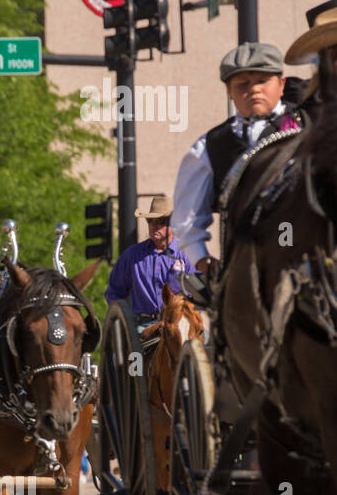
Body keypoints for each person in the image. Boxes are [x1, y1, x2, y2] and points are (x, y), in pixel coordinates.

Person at [171, 42, 308, 275]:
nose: (254, 89)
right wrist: (203, 262)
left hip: (309, 248)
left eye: (263, 81)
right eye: (243, 84)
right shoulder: (210, 146)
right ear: (229, 91)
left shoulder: (310, 124)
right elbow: (187, 221)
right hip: (247, 264)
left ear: (281, 84)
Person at [104, 195, 195, 324]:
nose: (154, 225)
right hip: (143, 325)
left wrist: (191, 321)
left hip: (178, 324)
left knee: (207, 341)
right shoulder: (132, 255)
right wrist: (125, 320)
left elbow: (197, 295)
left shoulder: (186, 255)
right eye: (150, 221)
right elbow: (114, 292)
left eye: (161, 221)